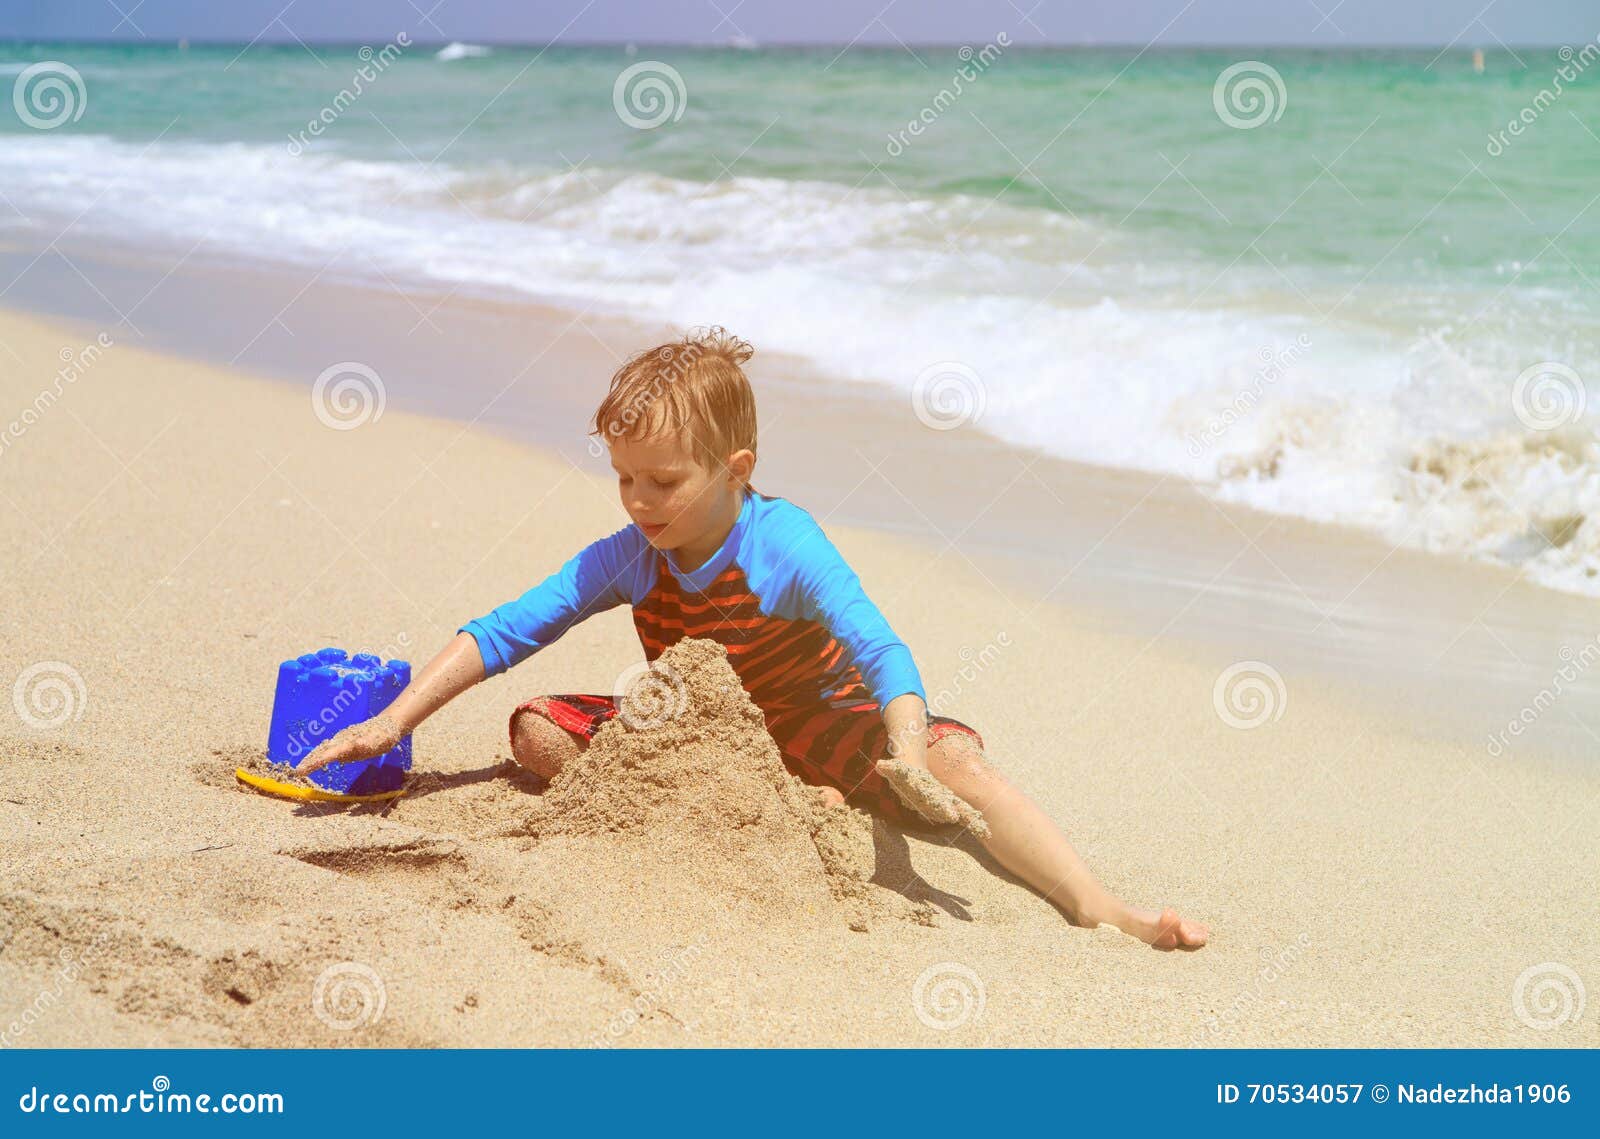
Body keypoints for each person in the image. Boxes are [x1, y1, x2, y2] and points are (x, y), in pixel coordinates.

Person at [299, 327, 1208, 950]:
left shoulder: (784, 545)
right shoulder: (631, 555)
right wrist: (391, 723)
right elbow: (506, 630)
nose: (639, 502)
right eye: (623, 479)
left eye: (662, 480)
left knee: (956, 759)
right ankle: (754, 808)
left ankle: (1100, 908)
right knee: (536, 727)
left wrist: (905, 751)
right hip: (702, 743)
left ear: (737, 471)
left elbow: (883, 651)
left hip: (819, 720)